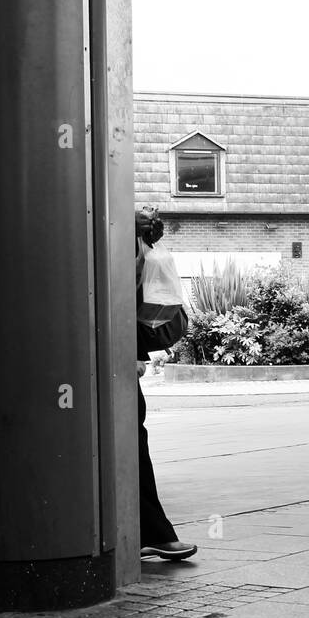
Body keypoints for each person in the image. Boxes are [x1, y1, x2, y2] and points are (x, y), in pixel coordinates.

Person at [134, 208, 197, 560]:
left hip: (120, 365)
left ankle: (151, 532)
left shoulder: (138, 257)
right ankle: (153, 533)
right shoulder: (140, 256)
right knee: (132, 445)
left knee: (134, 443)